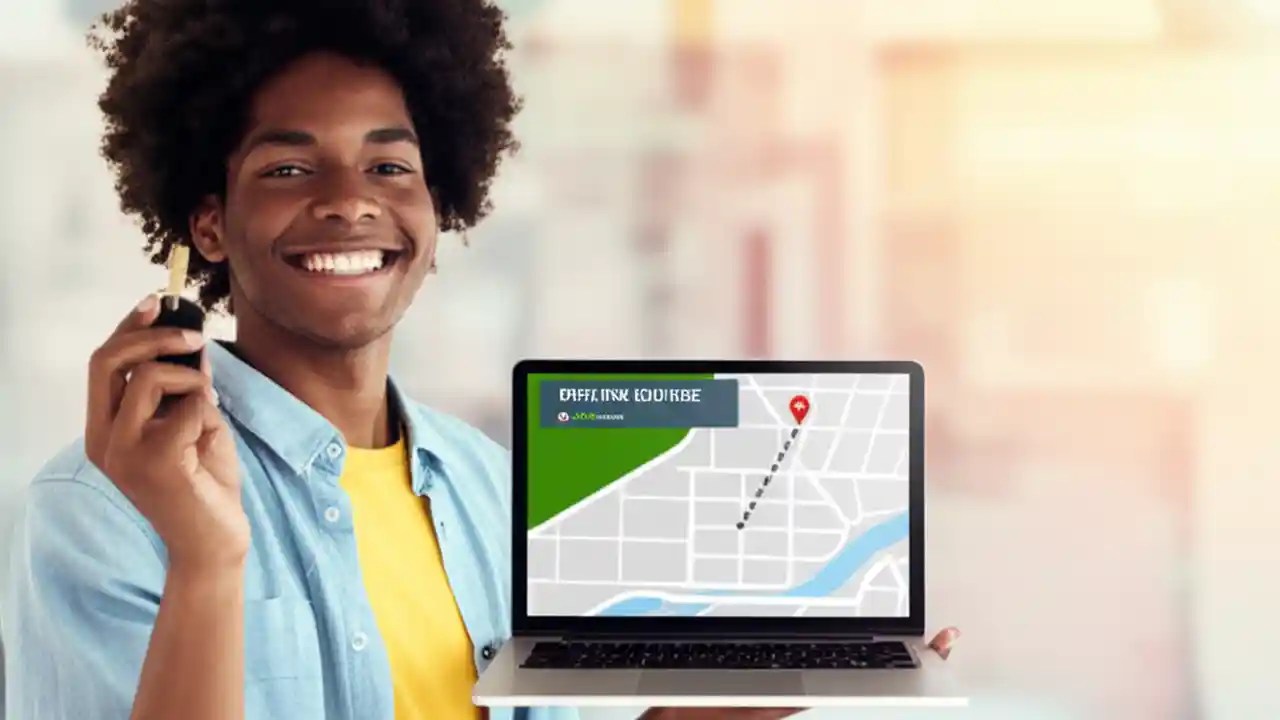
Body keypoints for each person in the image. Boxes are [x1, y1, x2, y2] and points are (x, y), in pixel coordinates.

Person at [1, 1, 958, 719]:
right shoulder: (101, 510)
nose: (349, 201)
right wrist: (208, 564)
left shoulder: (492, 488)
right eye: (288, 168)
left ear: (439, 205)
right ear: (206, 222)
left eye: (391, 166)